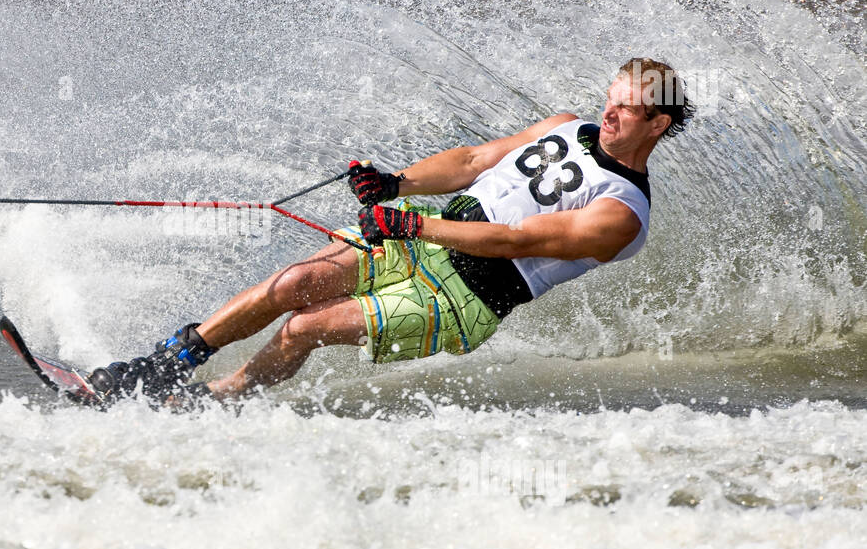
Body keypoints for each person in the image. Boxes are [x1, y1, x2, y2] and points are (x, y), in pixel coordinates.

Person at [88, 58, 693, 405]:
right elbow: (474, 162)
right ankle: (159, 367)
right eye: (609, 99)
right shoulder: (567, 125)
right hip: (423, 235)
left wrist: (415, 224)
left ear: (657, 123)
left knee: (304, 328)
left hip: (465, 299)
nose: (608, 112)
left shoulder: (622, 213)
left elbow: (519, 241)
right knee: (289, 285)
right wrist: (394, 184)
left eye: (626, 108)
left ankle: (212, 402)